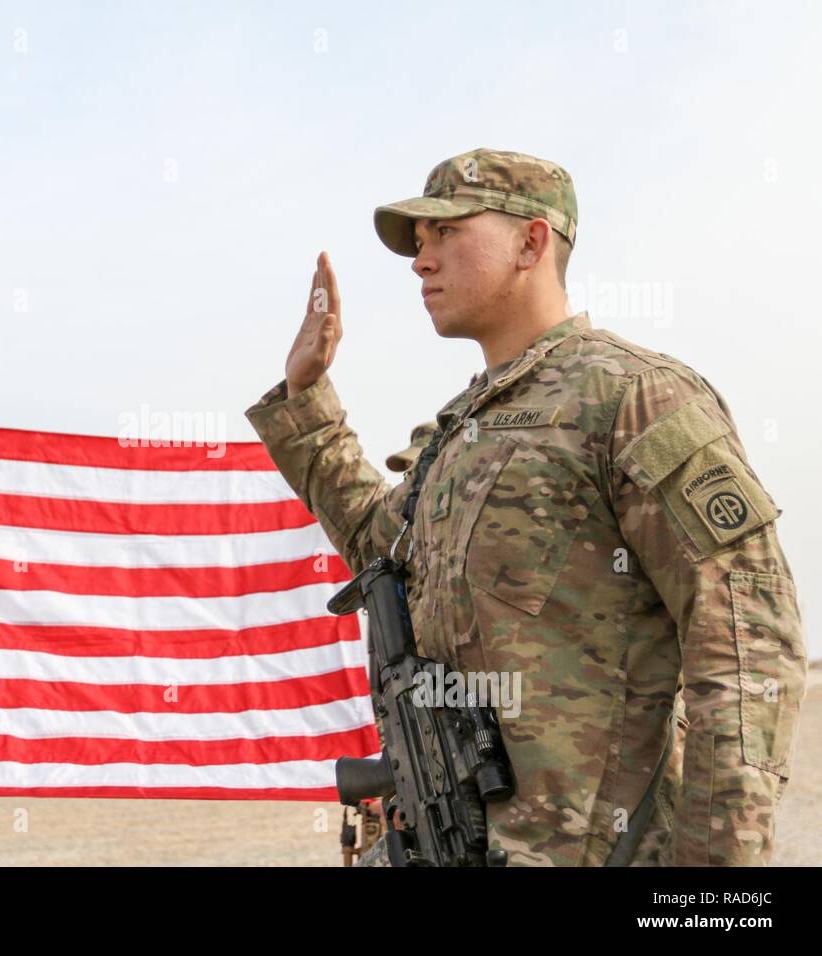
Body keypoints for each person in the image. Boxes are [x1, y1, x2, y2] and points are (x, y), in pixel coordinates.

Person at [245, 148, 806, 866]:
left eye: (447, 233)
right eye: (418, 244)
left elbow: (745, 637)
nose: (422, 260)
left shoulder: (633, 398)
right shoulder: (458, 434)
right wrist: (306, 400)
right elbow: (376, 546)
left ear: (532, 241)